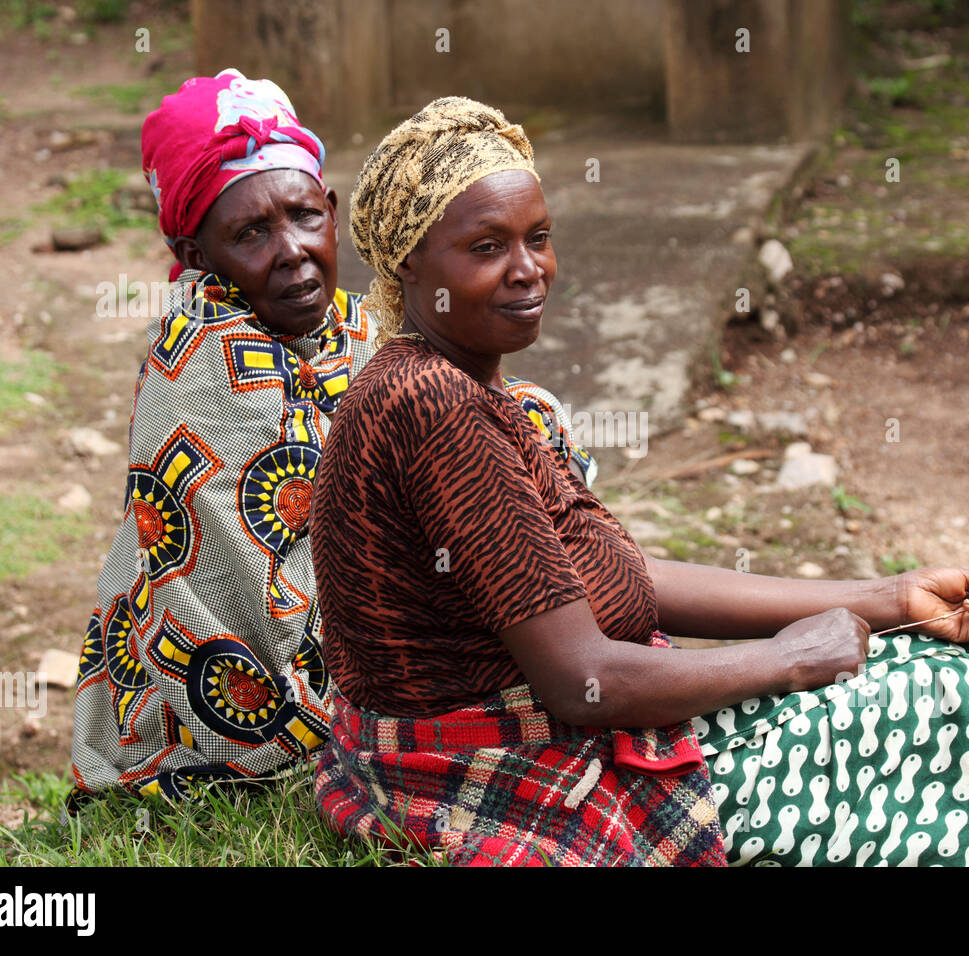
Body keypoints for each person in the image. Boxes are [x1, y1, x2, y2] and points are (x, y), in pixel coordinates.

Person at [312, 97, 969, 867]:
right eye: (486, 248)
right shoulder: (430, 405)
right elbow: (585, 681)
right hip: (512, 769)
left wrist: (884, 599)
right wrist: (786, 659)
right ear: (409, 262)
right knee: (964, 706)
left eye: (538, 239)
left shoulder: (463, 388)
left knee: (955, 673)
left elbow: (617, 578)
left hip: (566, 731)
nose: (528, 269)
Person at [67, 73, 591, 807]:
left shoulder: (350, 328)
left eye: (304, 217)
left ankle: (568, 640)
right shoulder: (204, 369)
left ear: (333, 213)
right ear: (195, 253)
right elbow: (249, 612)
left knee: (527, 417)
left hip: (359, 626)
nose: (292, 252)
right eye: (251, 233)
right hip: (237, 719)